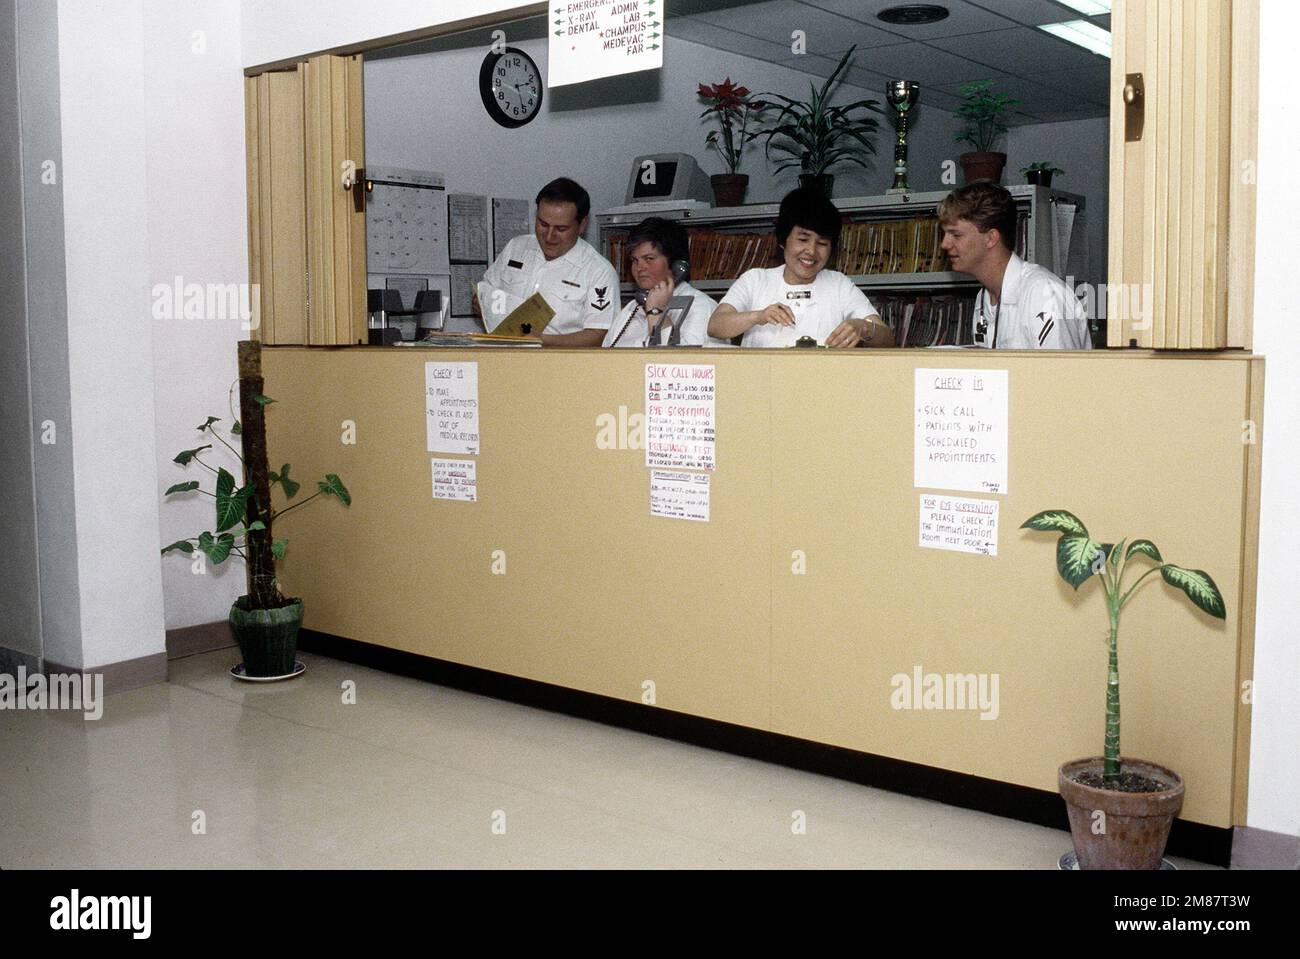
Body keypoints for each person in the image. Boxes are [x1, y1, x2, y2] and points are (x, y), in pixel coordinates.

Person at [707, 187, 895, 348]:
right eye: (803, 239)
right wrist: (758, 316)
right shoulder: (755, 280)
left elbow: (888, 340)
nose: (811, 251)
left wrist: (863, 327)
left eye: (822, 243)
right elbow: (715, 326)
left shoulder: (839, 284)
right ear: (783, 239)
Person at [937, 182, 1091, 350]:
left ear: (991, 238)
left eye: (956, 234)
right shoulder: (984, 297)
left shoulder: (1044, 294)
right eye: (944, 234)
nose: (944, 244)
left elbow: (1062, 374)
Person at [479, 177, 619, 347]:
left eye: (561, 229)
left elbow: (599, 335)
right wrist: (483, 304)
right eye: (543, 224)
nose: (549, 236)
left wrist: (541, 340)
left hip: (559, 367)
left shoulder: (598, 271)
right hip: (504, 359)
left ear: (582, 225)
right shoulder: (516, 248)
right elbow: (484, 293)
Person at [603, 217, 723, 348]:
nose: (639, 267)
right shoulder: (631, 309)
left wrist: (656, 312)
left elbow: (683, 363)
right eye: (634, 260)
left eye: (649, 258)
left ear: (676, 265)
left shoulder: (700, 307)